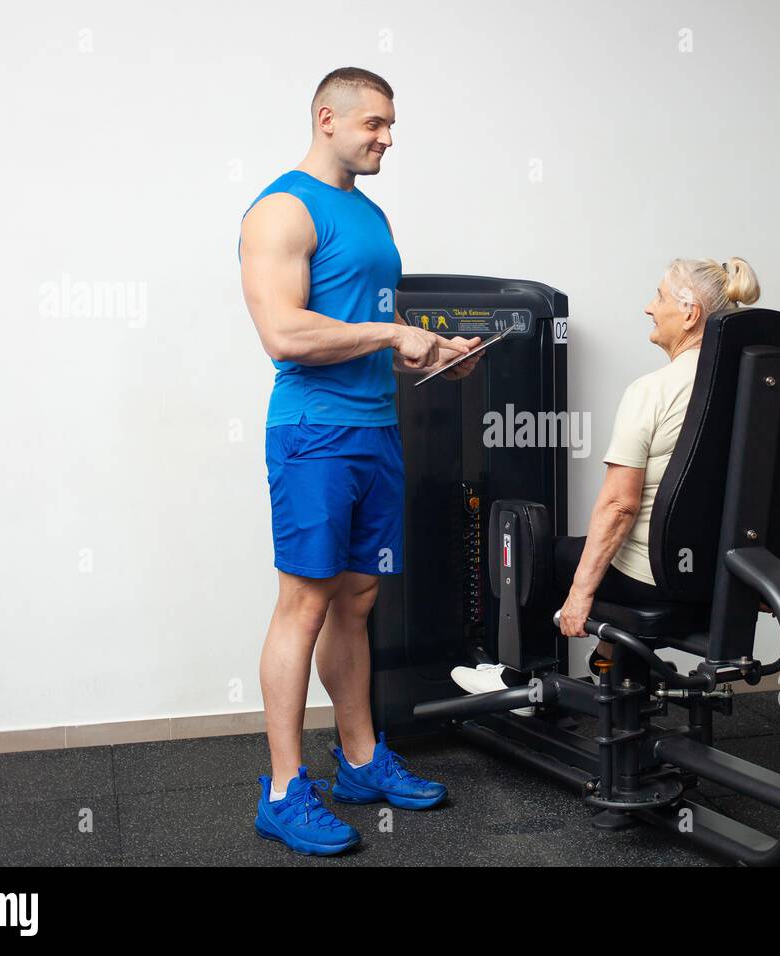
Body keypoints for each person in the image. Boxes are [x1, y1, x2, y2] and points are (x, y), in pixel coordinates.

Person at [238, 67, 481, 856]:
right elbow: (285, 334)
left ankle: (362, 759)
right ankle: (282, 789)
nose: (386, 138)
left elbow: (363, 325)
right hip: (314, 435)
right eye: (374, 124)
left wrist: (431, 354)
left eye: (390, 126)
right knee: (303, 603)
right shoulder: (282, 208)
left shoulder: (368, 215)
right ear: (327, 117)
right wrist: (390, 336)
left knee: (358, 598)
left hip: (376, 429)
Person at [452, 257, 760, 699]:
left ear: (690, 313)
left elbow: (619, 506)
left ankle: (515, 682)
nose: (648, 308)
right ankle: (616, 665)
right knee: (584, 554)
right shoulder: (748, 388)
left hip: (653, 577)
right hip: (721, 574)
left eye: (659, 296)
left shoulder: (652, 391)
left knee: (530, 546)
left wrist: (579, 597)